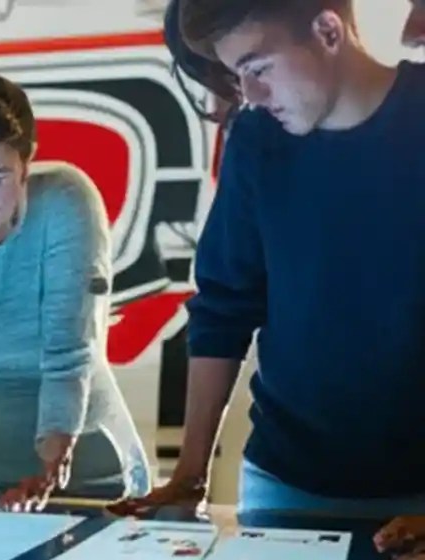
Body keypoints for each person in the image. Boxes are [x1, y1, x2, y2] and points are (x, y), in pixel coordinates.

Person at [109, 0, 425, 518]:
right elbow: (223, 308)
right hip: (287, 484)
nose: (250, 95)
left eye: (257, 69)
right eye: (239, 75)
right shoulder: (257, 143)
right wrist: (191, 473)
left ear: (327, 31)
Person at [0, 71, 151, 511]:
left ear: (26, 162)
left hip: (87, 453)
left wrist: (48, 470)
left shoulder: (65, 201)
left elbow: (69, 348)